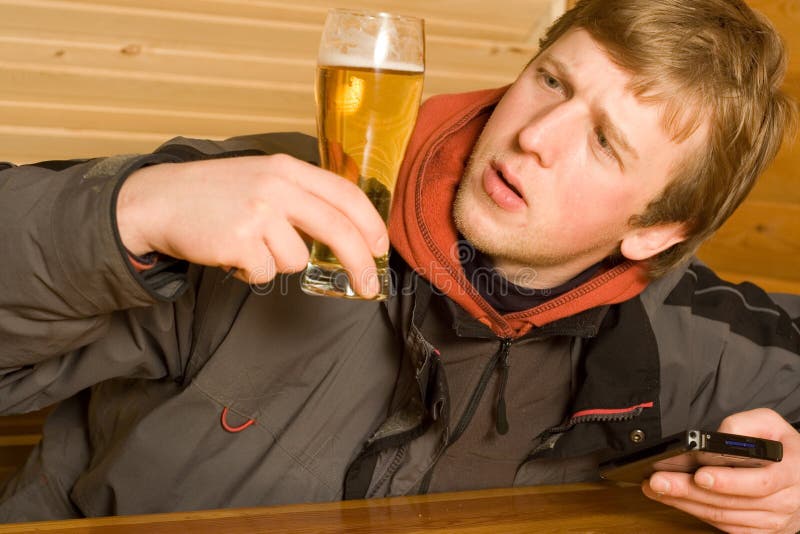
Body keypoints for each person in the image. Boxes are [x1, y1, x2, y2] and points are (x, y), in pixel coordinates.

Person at [1, 0, 799, 530]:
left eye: (601, 141)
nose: (536, 136)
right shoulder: (261, 205)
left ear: (655, 232)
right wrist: (126, 215)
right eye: (551, 80)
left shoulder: (684, 332)